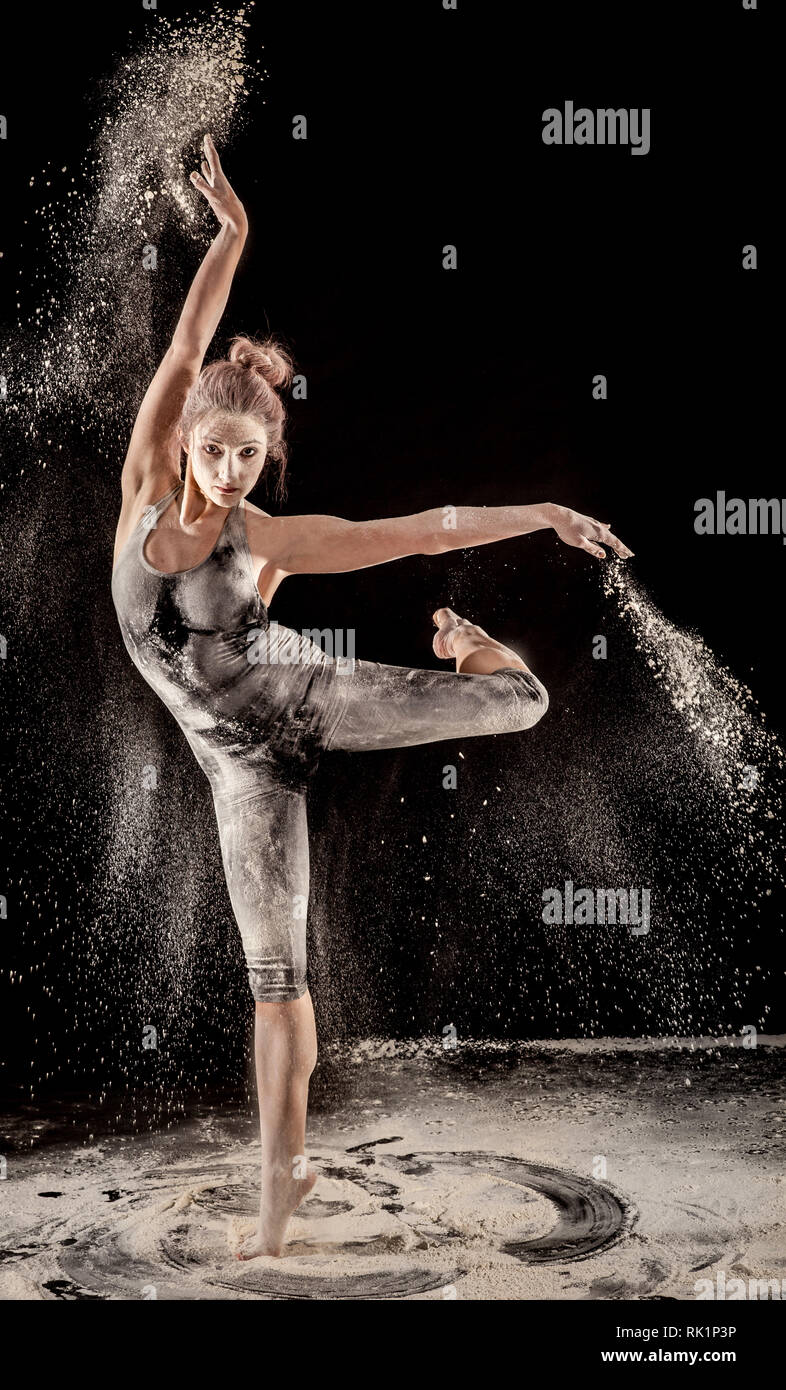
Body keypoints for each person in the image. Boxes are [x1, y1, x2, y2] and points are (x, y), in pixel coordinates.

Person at [111, 133, 633, 1260]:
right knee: (276, 980)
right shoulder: (150, 470)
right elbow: (194, 335)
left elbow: (421, 530)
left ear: (267, 457)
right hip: (234, 761)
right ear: (186, 437)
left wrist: (540, 513)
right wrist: (235, 234)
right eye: (216, 449)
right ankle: (279, 1195)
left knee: (524, 704)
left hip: (299, 698)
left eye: (249, 456)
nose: (228, 470)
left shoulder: (269, 535)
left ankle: (473, 646)